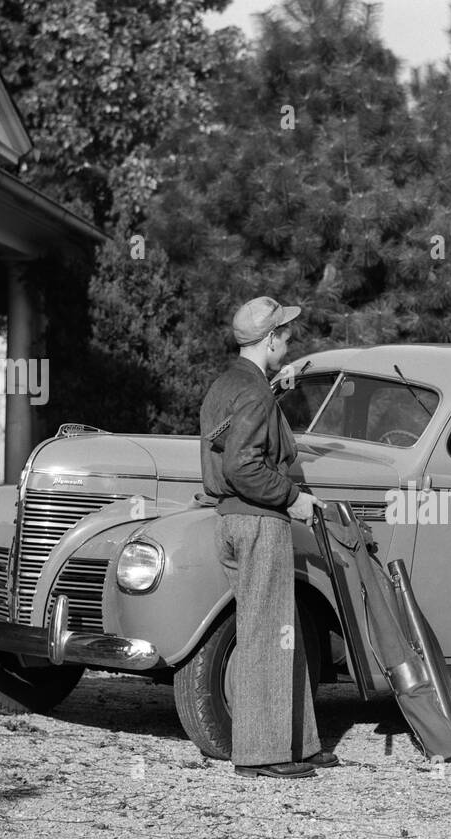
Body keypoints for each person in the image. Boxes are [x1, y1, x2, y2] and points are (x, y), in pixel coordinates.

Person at [200, 296, 334, 779]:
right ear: (270, 339)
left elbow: (230, 443)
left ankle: (300, 742)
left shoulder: (227, 385)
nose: (290, 341)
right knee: (266, 636)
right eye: (285, 334)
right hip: (260, 521)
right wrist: (292, 497)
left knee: (280, 629)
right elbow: (244, 465)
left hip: (232, 522)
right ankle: (262, 753)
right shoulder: (254, 393)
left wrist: (276, 389)